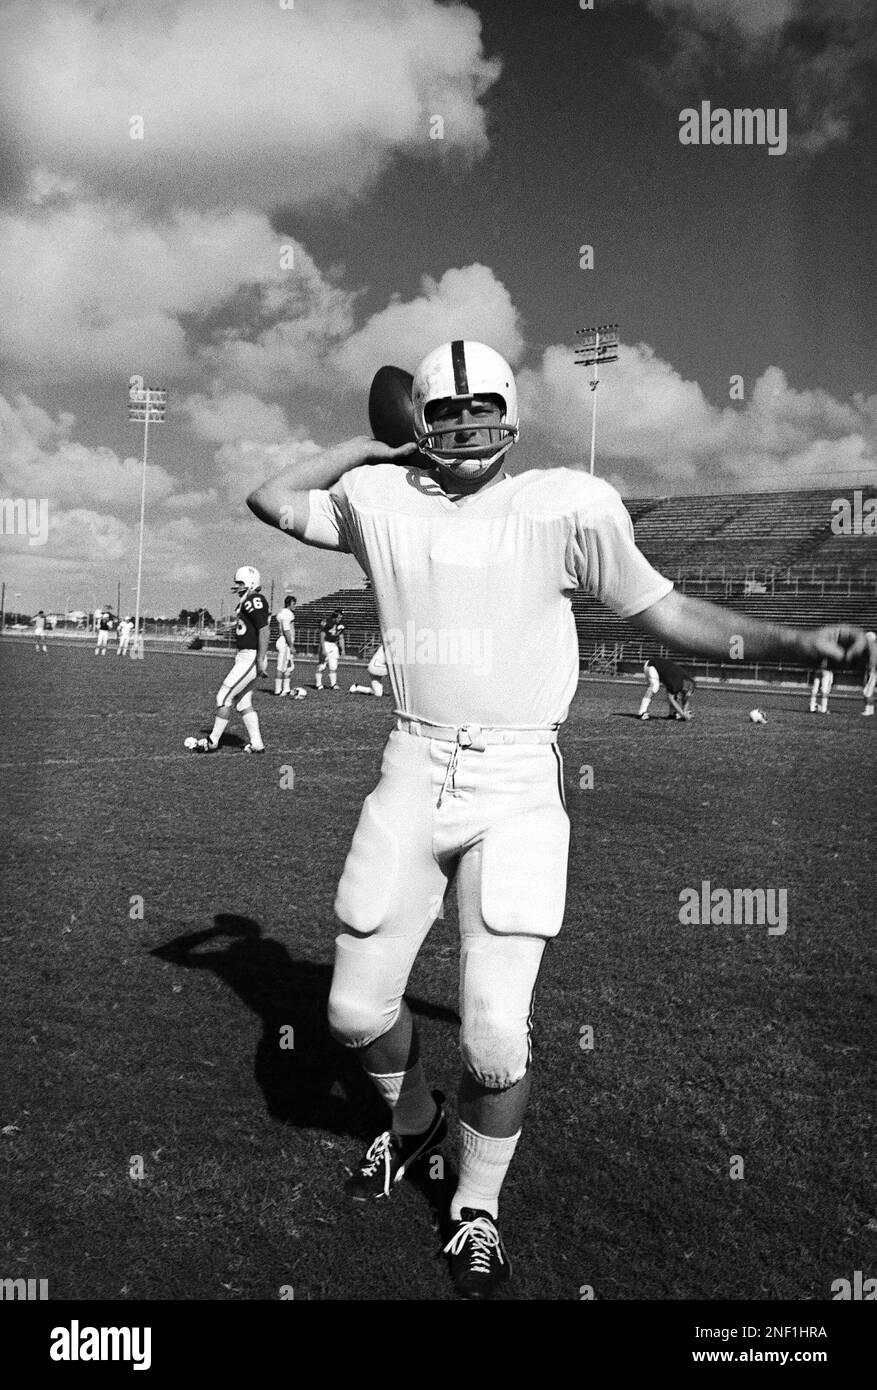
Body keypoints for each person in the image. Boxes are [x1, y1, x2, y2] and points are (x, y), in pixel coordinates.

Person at [246, 338, 873, 1300]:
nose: (464, 434)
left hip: (514, 781)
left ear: (511, 416)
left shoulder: (565, 504)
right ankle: (412, 1127)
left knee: (496, 1036)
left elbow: (664, 613)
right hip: (411, 765)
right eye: (442, 418)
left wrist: (791, 640)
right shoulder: (379, 499)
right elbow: (267, 496)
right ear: (419, 423)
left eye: (480, 414)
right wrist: (368, 449)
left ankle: (475, 1209)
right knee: (346, 1010)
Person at [186, 566, 269, 754]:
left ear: (251, 582)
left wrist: (260, 658)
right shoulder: (246, 600)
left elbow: (264, 630)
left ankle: (213, 741)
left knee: (223, 697)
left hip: (250, 656)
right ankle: (257, 744)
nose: (237, 587)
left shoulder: (254, 600)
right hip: (244, 656)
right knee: (243, 703)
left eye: (241, 583)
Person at [638, 654, 695, 720]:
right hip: (651, 665)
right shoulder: (677, 683)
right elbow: (671, 698)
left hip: (662, 669)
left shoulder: (688, 683)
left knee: (675, 692)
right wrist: (683, 714)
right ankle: (641, 712)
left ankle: (672, 713)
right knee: (654, 687)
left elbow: (685, 698)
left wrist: (685, 712)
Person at [316, 609, 345, 690]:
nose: (340, 619)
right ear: (334, 617)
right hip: (325, 643)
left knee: (333, 666)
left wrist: (342, 649)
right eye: (339, 617)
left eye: (341, 617)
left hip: (334, 645)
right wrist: (323, 648)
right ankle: (318, 684)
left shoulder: (341, 625)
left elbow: (341, 637)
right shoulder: (327, 622)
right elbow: (322, 636)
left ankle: (333, 684)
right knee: (322, 666)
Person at [274, 595, 297, 696]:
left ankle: (286, 689)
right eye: (293, 604)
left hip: (285, 641)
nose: (295, 606)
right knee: (281, 666)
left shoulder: (283, 613)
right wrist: (291, 645)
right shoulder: (286, 614)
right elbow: (286, 630)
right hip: (285, 642)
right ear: (288, 603)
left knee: (288, 666)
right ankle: (278, 690)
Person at [862, 632, 876, 717]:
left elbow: (872, 662)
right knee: (868, 691)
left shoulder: (873, 648)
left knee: (867, 692)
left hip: (873, 672)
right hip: (871, 672)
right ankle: (870, 710)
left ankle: (868, 710)